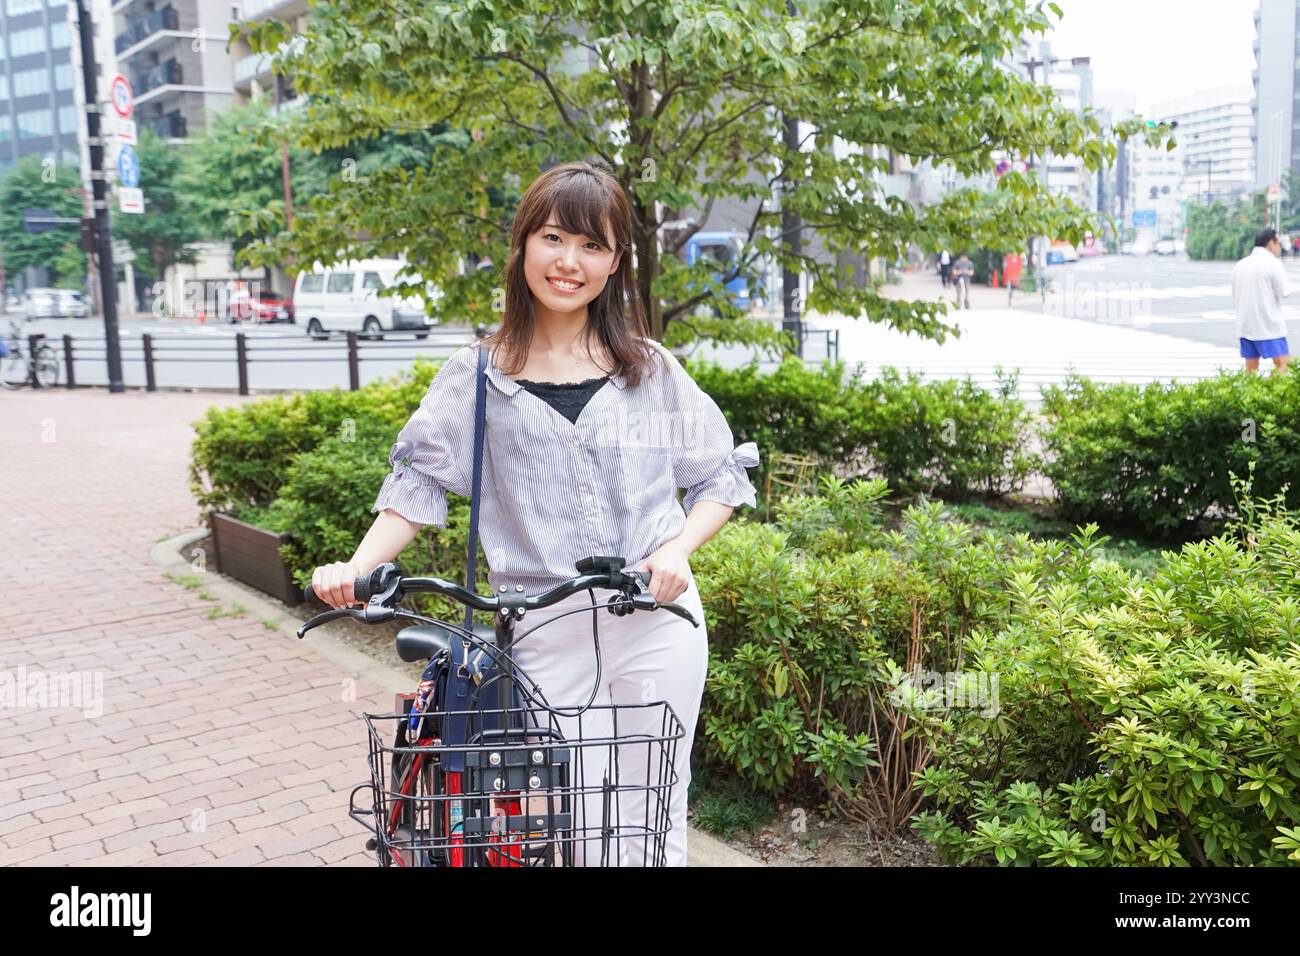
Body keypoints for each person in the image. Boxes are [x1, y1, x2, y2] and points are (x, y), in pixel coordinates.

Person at [310, 160, 760, 867]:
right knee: (583, 820)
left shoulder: (648, 369)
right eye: (553, 238)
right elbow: (419, 480)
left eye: (592, 245)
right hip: (542, 628)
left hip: (656, 621)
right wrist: (359, 566)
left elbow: (719, 477)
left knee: (652, 814)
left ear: (614, 263)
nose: (569, 262)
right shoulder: (479, 375)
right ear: (522, 247)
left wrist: (676, 551)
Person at [1232, 227, 1292, 375]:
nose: (1279, 248)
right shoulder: (1272, 263)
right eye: (1278, 243)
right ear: (1271, 243)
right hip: (1268, 326)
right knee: (1283, 365)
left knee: (1251, 371)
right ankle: (1267, 393)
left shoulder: (1240, 265)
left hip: (1245, 325)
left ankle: (1251, 396)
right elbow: (1284, 291)